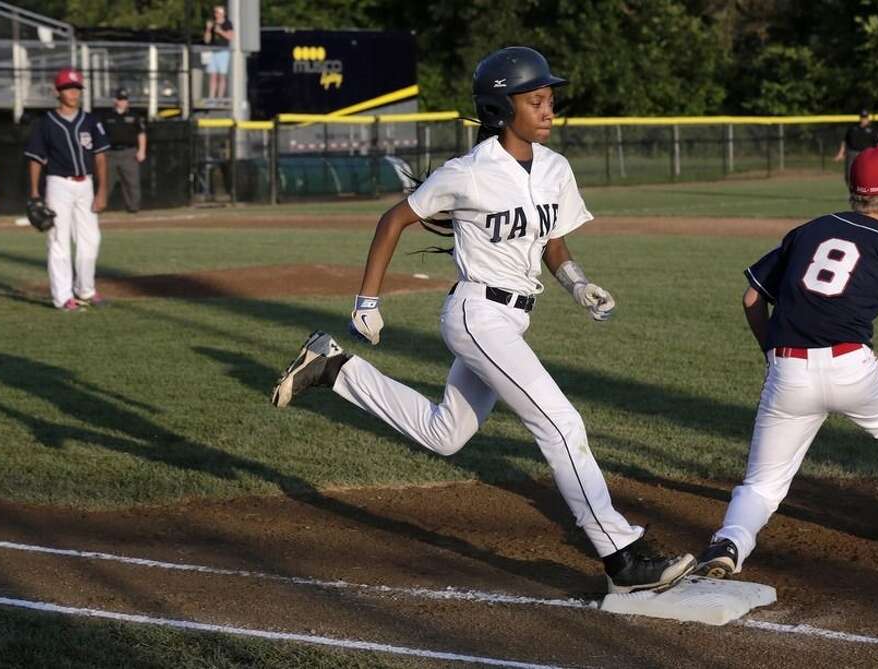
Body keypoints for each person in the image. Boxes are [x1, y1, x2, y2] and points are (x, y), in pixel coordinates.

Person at [270, 47, 695, 595]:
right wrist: (367, 302)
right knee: (561, 424)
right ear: (500, 109)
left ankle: (335, 369)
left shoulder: (555, 168)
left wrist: (577, 282)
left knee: (445, 434)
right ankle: (621, 558)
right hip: (477, 315)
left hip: (512, 320)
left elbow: (552, 241)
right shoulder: (468, 172)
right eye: (535, 100)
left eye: (550, 99)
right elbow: (393, 219)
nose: (548, 110)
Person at [693, 145, 878, 580]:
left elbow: (752, 298)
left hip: (789, 371)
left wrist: (773, 353)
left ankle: (729, 543)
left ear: (852, 190)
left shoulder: (810, 230)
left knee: (762, 485)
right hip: (852, 368)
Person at [24, 67, 110, 311]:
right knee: (58, 240)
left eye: (76, 88)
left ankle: (85, 290)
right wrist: (34, 193)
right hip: (58, 183)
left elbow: (101, 156)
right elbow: (36, 159)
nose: (73, 93)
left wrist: (102, 190)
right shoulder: (45, 123)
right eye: (67, 88)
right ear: (57, 92)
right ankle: (63, 297)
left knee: (91, 239)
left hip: (86, 184)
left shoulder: (91, 121)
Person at [100, 88, 147, 213]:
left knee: (132, 182)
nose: (122, 102)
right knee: (106, 182)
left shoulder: (134, 116)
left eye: (125, 99)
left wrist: (142, 151)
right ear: (115, 100)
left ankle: (133, 207)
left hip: (129, 153)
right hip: (110, 153)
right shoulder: (106, 116)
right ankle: (100, 206)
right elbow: (100, 135)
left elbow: (141, 134)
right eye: (120, 99)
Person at [834, 110, 878, 188]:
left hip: (866, 155)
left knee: (866, 174)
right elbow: (845, 141)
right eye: (862, 117)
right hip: (852, 153)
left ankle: (865, 191)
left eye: (865, 118)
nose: (863, 119)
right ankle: (852, 191)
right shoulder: (853, 128)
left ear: (868, 118)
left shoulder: (873, 130)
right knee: (849, 174)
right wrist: (840, 153)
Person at [203, 5, 234, 100]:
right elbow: (206, 40)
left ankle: (220, 97)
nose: (216, 14)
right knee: (213, 75)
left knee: (222, 76)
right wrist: (208, 29)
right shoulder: (212, 23)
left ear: (223, 13)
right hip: (212, 52)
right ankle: (211, 97)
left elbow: (231, 37)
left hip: (223, 51)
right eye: (215, 12)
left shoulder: (227, 23)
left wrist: (220, 31)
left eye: (219, 12)